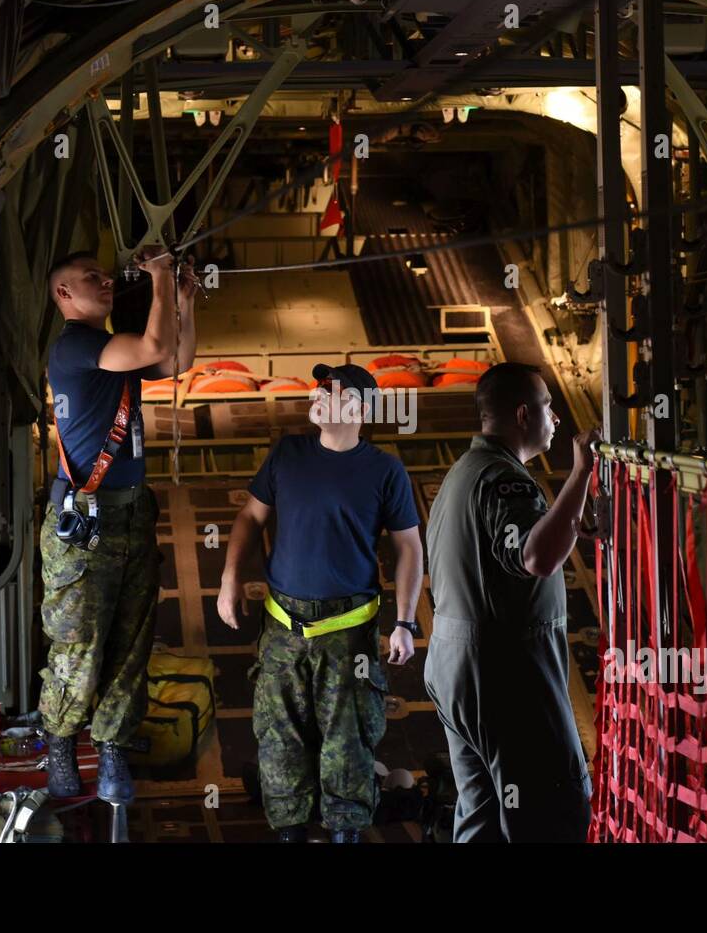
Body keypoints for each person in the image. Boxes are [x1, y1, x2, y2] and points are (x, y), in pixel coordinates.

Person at [218, 363, 423, 842]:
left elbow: (408, 546)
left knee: (348, 744)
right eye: (316, 388)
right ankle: (290, 832)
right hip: (283, 628)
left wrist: (405, 621)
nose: (315, 395)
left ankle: (344, 832)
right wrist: (230, 578)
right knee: (279, 739)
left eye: (328, 392)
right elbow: (250, 516)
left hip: (347, 633)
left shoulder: (384, 470)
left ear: (357, 407)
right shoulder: (288, 454)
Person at [40, 248, 198, 803]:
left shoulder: (110, 353)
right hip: (88, 517)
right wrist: (158, 278)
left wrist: (181, 298)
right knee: (79, 645)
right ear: (64, 294)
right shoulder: (77, 346)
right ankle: (59, 742)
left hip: (130, 513)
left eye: (106, 278)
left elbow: (174, 360)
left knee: (131, 642)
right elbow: (155, 346)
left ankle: (111, 749)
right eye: (91, 279)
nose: (105, 283)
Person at [424, 362, 599, 842]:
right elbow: (536, 556)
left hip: (454, 667)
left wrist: (565, 518)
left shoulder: (462, 474)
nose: (556, 418)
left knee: (482, 816)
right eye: (548, 406)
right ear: (523, 414)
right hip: (505, 676)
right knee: (554, 807)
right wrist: (581, 473)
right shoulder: (507, 479)